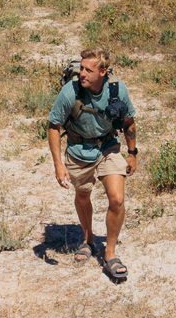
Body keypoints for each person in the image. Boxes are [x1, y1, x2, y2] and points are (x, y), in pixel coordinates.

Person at [47, 48, 138, 281]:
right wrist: (58, 164)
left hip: (108, 146)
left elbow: (129, 122)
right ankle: (88, 240)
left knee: (117, 199)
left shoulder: (117, 90)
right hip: (79, 150)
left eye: (88, 70)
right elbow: (54, 126)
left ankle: (110, 254)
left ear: (103, 72)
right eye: (81, 69)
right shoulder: (70, 91)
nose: (82, 74)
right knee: (83, 195)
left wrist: (132, 153)